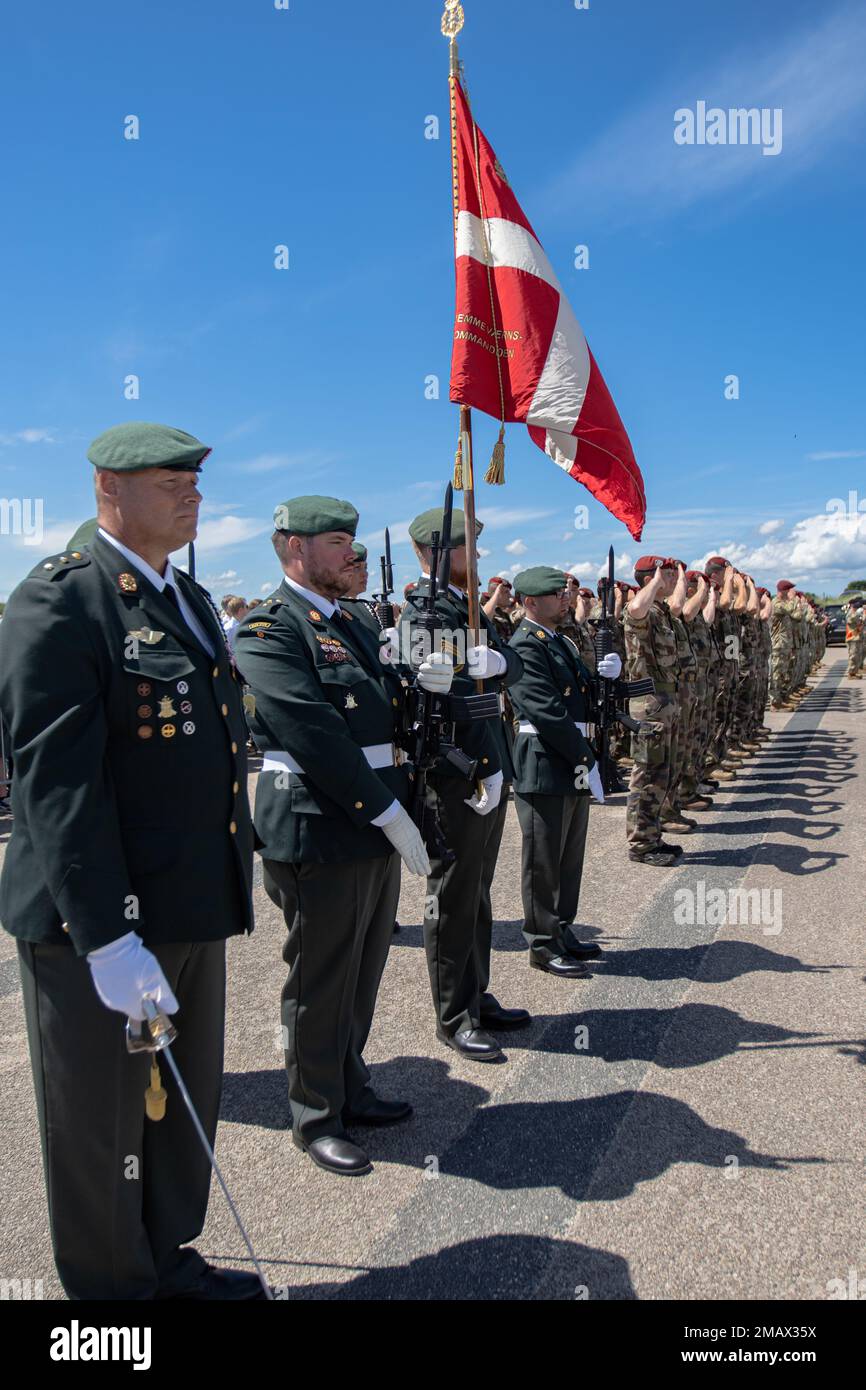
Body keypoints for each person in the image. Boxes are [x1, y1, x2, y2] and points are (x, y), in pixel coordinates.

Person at [0, 421, 260, 1300]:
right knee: (102, 1126)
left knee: (183, 1105)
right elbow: (59, 791)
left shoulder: (184, 597)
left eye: (194, 481)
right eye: (168, 481)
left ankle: (170, 1256)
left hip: (187, 903)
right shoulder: (60, 601)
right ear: (109, 490)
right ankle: (115, 1298)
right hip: (100, 925)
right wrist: (108, 939)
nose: (191, 495)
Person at [233, 496, 449, 1177]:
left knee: (362, 967)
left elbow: (383, 706)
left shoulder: (352, 620)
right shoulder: (269, 629)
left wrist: (424, 681)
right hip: (320, 824)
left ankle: (350, 1082)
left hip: (376, 814)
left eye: (353, 540)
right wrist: (384, 811)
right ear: (293, 549)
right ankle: (315, 1112)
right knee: (321, 976)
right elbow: (310, 729)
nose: (353, 553)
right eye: (336, 541)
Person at [400, 504, 528, 1061]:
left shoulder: (469, 608)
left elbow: (515, 665)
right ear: (434, 554)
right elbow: (416, 693)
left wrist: (497, 664)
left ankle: (476, 993)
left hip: (489, 762)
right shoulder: (420, 616)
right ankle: (453, 1014)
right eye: (468, 548)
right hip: (456, 774)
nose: (477, 558)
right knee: (451, 894)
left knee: (477, 888)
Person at [507, 567, 614, 976]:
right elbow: (546, 712)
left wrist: (609, 678)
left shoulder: (559, 641)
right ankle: (542, 942)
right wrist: (586, 759)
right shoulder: (524, 646)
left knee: (568, 857)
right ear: (531, 602)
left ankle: (562, 928)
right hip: (546, 761)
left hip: (570, 758)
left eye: (565, 592)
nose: (566, 598)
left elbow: (583, 692)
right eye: (556, 593)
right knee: (544, 860)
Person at [623, 557, 682, 867]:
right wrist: (657, 581)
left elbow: (680, 601)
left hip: (665, 703)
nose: (672, 580)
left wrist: (670, 579)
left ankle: (652, 836)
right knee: (646, 776)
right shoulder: (639, 608)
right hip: (649, 704)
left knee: (662, 775)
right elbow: (634, 611)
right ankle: (640, 844)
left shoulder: (663, 613)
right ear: (650, 579)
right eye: (667, 575)